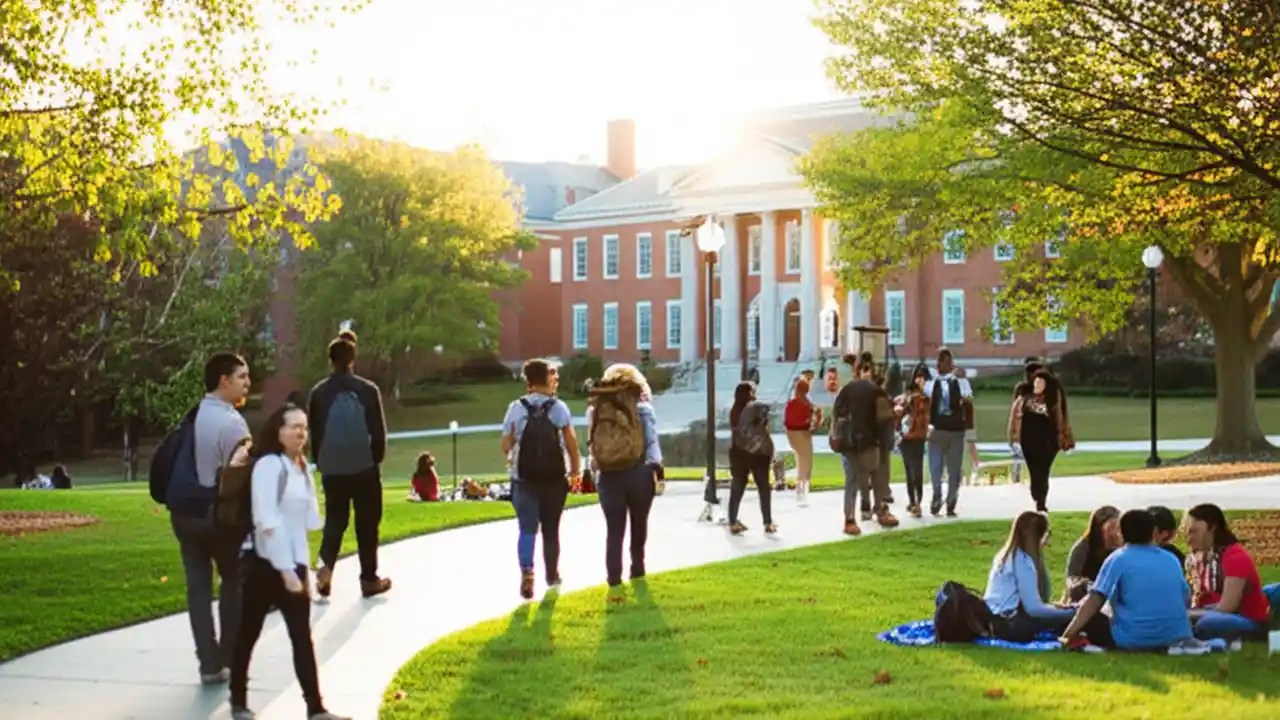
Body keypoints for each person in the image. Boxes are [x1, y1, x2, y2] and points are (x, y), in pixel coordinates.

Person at [229, 405, 349, 720]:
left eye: (304, 428)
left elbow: (308, 524)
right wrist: (285, 570)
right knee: (248, 634)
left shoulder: (299, 468)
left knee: (301, 638)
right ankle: (238, 702)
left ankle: (316, 708)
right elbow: (266, 520)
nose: (300, 433)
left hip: (293, 565)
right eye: (293, 426)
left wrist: (303, 570)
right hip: (263, 565)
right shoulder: (269, 466)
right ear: (277, 431)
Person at [173, 352, 252, 685]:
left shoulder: (193, 416)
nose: (248, 383)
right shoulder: (233, 423)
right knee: (233, 584)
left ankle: (208, 664)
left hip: (184, 515)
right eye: (243, 376)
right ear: (224, 380)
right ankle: (230, 658)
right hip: (218, 517)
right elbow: (239, 477)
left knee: (198, 589)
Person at [308, 335, 392, 599]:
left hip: (333, 469)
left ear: (330, 360)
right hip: (364, 468)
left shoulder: (319, 393)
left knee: (334, 521)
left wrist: (321, 463)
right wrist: (374, 459)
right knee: (367, 524)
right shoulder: (367, 390)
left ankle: (324, 570)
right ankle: (369, 579)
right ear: (353, 359)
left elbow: (315, 432)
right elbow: (378, 433)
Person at [501, 358, 581, 599]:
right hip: (554, 480)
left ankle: (527, 571)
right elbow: (572, 446)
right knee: (551, 529)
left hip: (523, 479)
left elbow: (505, 445)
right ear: (546, 379)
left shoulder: (515, 408)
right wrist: (575, 473)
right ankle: (552, 574)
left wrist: (515, 444)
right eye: (553, 375)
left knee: (526, 528)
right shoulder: (559, 408)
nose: (555, 379)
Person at [1058, 510, 1194, 651]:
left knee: (1079, 618)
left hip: (1131, 638)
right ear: (1154, 532)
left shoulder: (1118, 558)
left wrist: (1067, 634)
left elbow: (1095, 599)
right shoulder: (1171, 559)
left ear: (1121, 532)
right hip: (1175, 636)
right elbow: (1185, 597)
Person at [591, 363, 662, 588]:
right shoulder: (643, 408)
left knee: (614, 529)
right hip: (638, 472)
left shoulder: (597, 408)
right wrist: (657, 469)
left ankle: (613, 578)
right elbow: (652, 444)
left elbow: (593, 443)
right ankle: (637, 568)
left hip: (609, 474)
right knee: (639, 523)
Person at [1184, 504, 1274, 641]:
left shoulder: (1235, 557)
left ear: (1212, 527)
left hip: (1250, 621)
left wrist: (1190, 615)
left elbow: (1227, 607)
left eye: (1194, 531)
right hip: (1227, 614)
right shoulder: (1212, 555)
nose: (1189, 539)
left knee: (1206, 624)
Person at [832, 354, 898, 535]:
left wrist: (837, 437)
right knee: (876, 477)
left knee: (853, 481)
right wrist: (887, 442)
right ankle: (878, 510)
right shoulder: (876, 391)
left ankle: (852, 518)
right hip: (867, 442)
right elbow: (885, 420)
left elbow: (836, 415)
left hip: (850, 441)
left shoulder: (847, 390)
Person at [983, 512, 1075, 642]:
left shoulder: (1004, 555)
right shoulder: (1022, 561)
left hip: (994, 618)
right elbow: (1033, 609)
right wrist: (1073, 613)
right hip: (1010, 624)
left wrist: (1053, 608)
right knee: (1071, 618)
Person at [1007, 369, 1067, 512]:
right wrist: (1013, 438)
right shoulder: (1024, 399)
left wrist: (1061, 436)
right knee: (1035, 472)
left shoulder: (1051, 399)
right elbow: (1014, 418)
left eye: (1042, 382)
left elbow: (1059, 418)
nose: (1039, 384)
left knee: (1044, 471)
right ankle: (1037, 496)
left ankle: (1041, 500)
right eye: (1037, 381)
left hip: (1047, 442)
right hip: (1029, 442)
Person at [923, 348, 972, 517]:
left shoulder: (960, 381)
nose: (939, 363)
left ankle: (951, 500)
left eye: (943, 360)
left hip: (955, 431)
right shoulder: (931, 382)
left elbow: (968, 400)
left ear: (950, 362)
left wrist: (960, 377)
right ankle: (937, 495)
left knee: (954, 470)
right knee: (935, 468)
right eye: (938, 360)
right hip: (936, 431)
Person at [728, 381, 775, 535]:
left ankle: (733, 521)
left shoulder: (735, 410)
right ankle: (767, 522)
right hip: (758, 453)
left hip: (738, 452)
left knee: (737, 487)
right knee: (763, 487)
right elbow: (765, 420)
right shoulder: (754, 407)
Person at [1063, 505, 1122, 603]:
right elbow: (1071, 578)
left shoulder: (1122, 549)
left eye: (1119, 528)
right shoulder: (1083, 547)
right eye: (1111, 528)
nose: (1115, 533)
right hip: (1086, 598)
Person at [894, 364, 931, 518]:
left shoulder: (913, 397)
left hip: (911, 437)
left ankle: (915, 501)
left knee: (912, 470)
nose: (922, 381)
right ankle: (915, 502)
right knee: (913, 470)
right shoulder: (919, 398)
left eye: (924, 378)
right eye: (920, 377)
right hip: (912, 437)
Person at [783, 377, 818, 505]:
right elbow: (814, 416)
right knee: (805, 461)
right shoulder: (805, 405)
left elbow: (787, 421)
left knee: (801, 459)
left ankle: (801, 487)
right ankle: (802, 488)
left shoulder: (792, 403)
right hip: (802, 433)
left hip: (792, 433)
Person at [954, 367, 982, 484]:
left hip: (962, 422)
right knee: (967, 447)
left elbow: (967, 399)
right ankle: (971, 470)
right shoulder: (961, 384)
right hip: (962, 422)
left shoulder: (962, 384)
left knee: (966, 447)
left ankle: (974, 469)